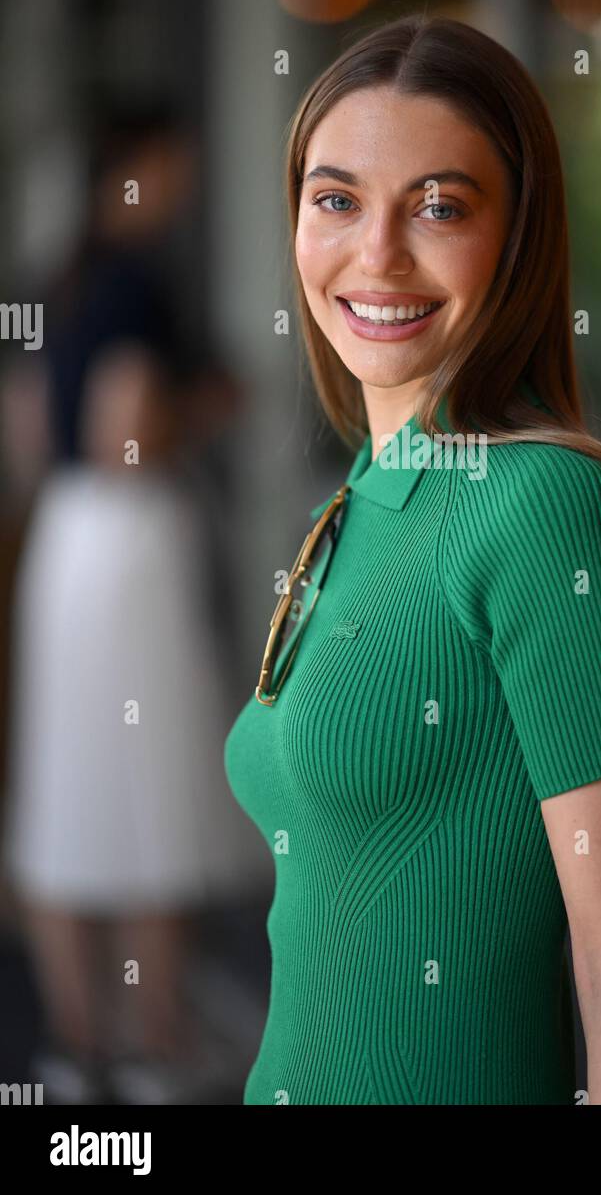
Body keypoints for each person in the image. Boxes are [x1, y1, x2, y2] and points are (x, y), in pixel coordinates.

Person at [224, 14, 601, 1105]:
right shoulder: (362, 493)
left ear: (518, 238)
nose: (376, 253)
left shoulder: (548, 510)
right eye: (336, 198)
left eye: (438, 206)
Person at [1, 98, 264, 1104]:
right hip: (129, 546)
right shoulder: (134, 286)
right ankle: (154, 1038)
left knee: (68, 788)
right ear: (139, 168)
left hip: (64, 547)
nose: (183, 185)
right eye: (173, 165)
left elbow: (31, 438)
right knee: (150, 788)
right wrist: (208, 406)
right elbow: (128, 439)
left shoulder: (56, 281)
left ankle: (79, 1042)